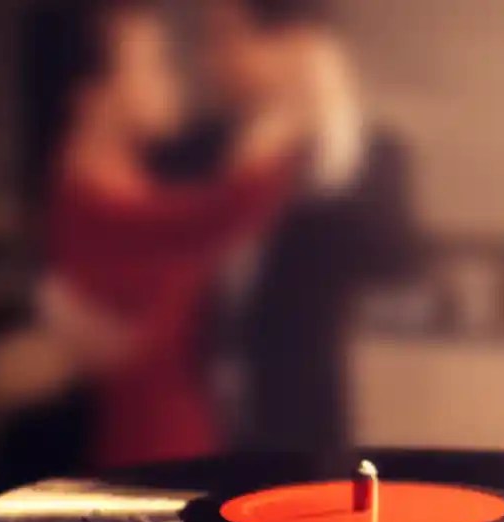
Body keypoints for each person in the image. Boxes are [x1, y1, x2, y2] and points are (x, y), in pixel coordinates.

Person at [0, 0, 302, 488]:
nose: (170, 78)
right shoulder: (92, 196)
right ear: (90, 96)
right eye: (150, 64)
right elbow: (221, 212)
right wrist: (291, 113)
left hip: (170, 435)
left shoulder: (126, 181)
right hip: (148, 447)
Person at [153, 0, 420, 453]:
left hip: (299, 426)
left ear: (294, 44)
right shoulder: (196, 149)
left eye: (226, 38)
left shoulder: (368, 153)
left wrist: (330, 139)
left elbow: (393, 261)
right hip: (187, 422)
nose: (209, 58)